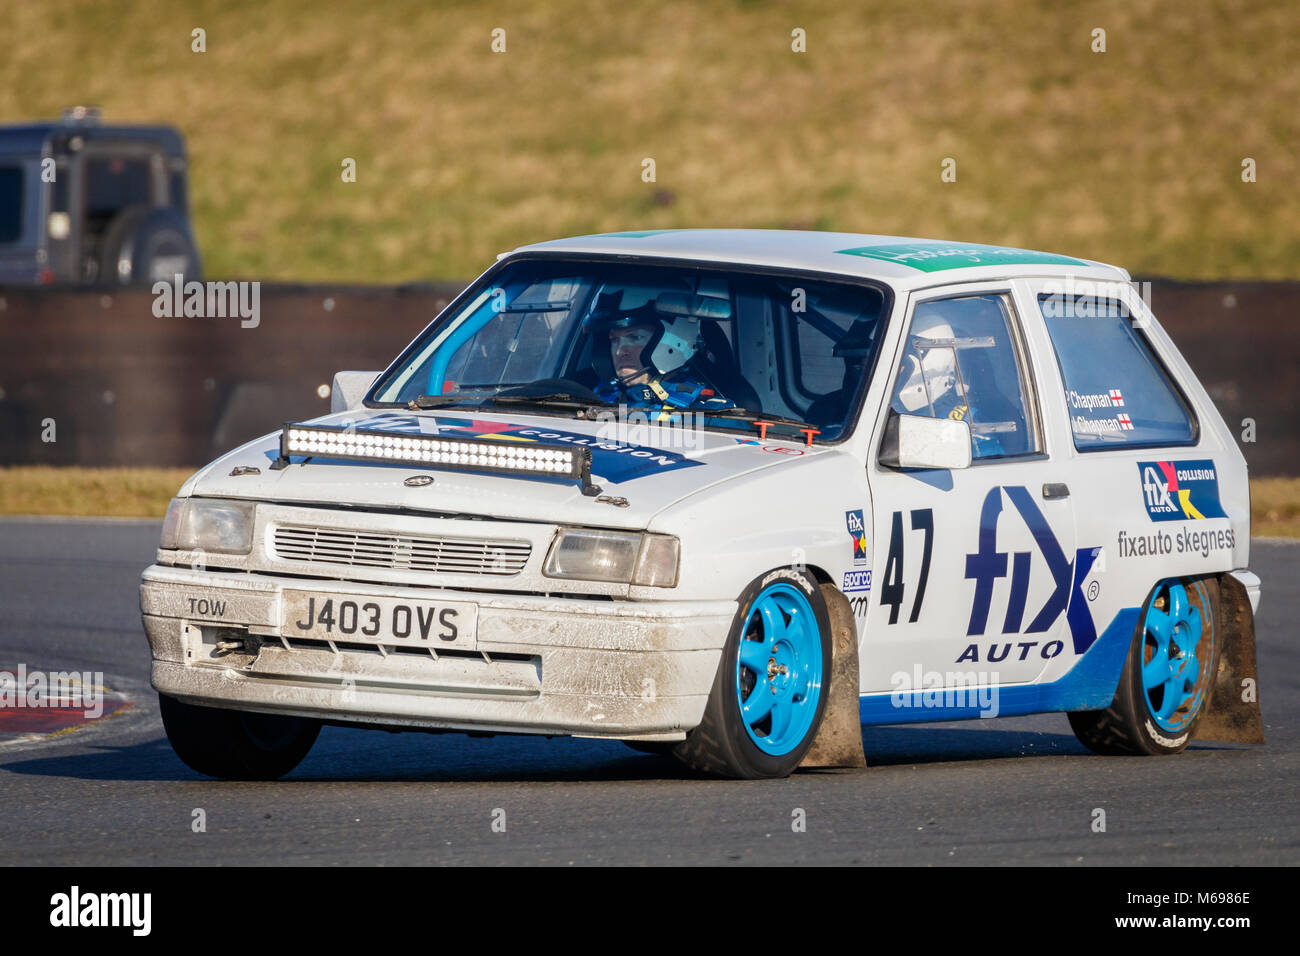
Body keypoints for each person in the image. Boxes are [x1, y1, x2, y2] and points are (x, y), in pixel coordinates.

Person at [588, 298, 735, 417]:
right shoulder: (585, 399)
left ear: (674, 342)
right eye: (614, 340)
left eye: (635, 337)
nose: (619, 351)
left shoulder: (712, 414)